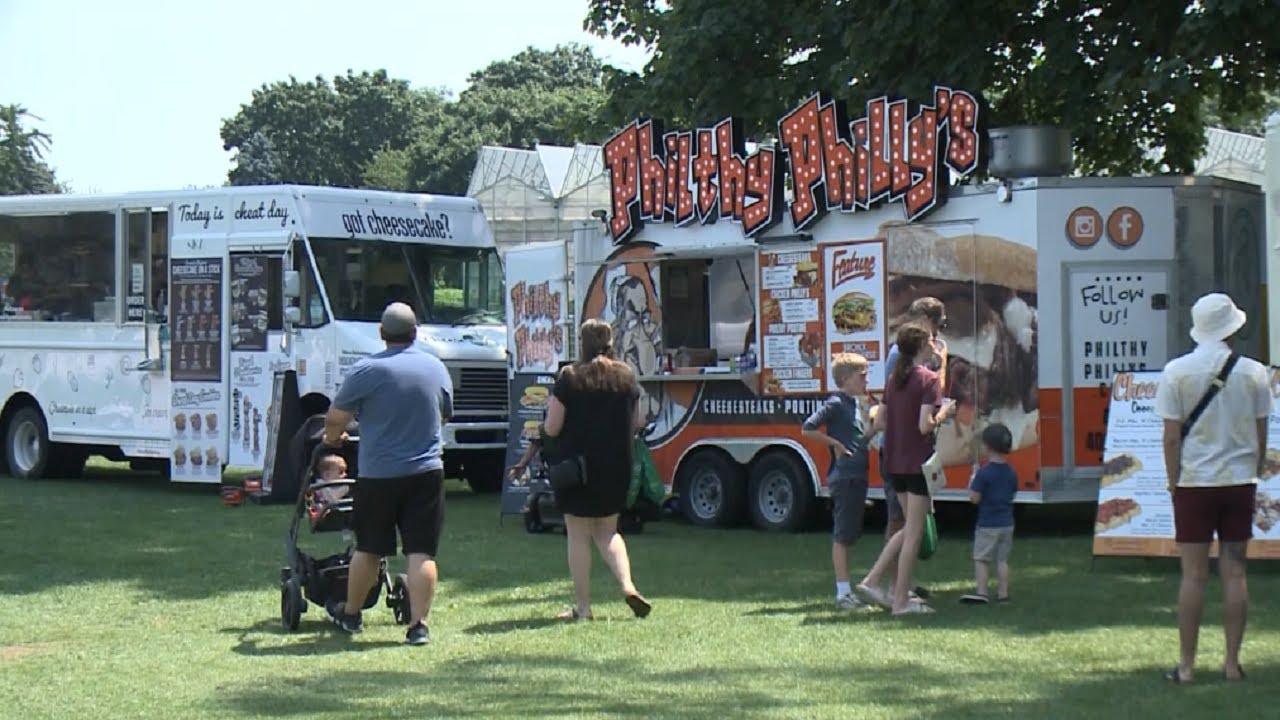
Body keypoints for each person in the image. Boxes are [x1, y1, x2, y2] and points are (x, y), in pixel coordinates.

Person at [321, 302, 453, 647]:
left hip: (379, 475)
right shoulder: (435, 367)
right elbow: (445, 414)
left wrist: (334, 439)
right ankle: (419, 625)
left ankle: (351, 613)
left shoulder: (367, 370)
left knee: (369, 548)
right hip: (426, 472)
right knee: (421, 552)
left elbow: (335, 417)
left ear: (382, 334)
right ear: (415, 332)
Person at [1155, 293, 1270, 684]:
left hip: (1194, 483)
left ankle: (1186, 666)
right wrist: (1251, 469)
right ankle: (1232, 664)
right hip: (1239, 481)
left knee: (1193, 576)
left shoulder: (1175, 372)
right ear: (1233, 328)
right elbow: (1261, 432)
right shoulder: (1254, 372)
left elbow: (1171, 438)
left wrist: (1174, 481)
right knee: (1235, 573)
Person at [542, 318, 652, 621]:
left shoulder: (570, 376)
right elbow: (638, 422)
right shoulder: (626, 377)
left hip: (577, 469)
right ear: (611, 342)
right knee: (608, 532)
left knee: (578, 535)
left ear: (583, 343)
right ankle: (628, 585)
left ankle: (583, 607)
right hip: (616, 465)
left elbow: (552, 427)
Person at [855, 324, 957, 615]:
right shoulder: (928, 379)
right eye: (931, 341)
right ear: (923, 346)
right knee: (912, 534)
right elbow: (925, 425)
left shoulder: (894, 379)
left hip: (894, 463)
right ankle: (900, 601)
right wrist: (944, 414)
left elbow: (881, 421)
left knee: (907, 528)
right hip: (917, 463)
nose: (935, 344)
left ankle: (873, 580)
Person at [802, 353, 885, 609]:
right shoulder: (837, 402)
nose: (866, 380)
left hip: (856, 474)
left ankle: (846, 591)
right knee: (842, 536)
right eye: (862, 376)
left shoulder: (853, 404)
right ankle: (842, 593)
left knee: (849, 535)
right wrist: (835, 444)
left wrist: (876, 428)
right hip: (845, 476)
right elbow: (808, 428)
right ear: (846, 378)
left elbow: (857, 442)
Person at [880, 297, 948, 542]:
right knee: (900, 520)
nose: (937, 333)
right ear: (925, 320)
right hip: (902, 448)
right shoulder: (900, 355)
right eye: (937, 325)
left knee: (910, 522)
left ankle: (900, 581)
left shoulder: (917, 358)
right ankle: (886, 579)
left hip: (909, 449)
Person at [960, 423, 1017, 605]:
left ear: (987, 447)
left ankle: (982, 592)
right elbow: (1013, 493)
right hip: (1007, 523)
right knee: (1002, 560)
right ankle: (1003, 594)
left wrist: (972, 482)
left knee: (981, 559)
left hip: (987, 524)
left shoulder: (984, 474)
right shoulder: (1011, 472)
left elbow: (975, 499)